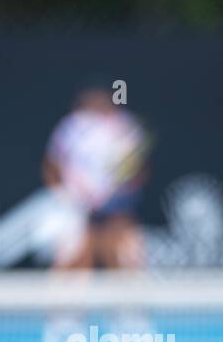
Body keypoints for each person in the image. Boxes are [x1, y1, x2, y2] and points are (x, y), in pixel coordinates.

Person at [42, 86, 149, 271]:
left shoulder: (126, 125)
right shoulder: (71, 126)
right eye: (92, 99)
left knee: (124, 261)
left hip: (117, 209)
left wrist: (115, 193)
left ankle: (128, 299)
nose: (97, 104)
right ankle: (66, 300)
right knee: (73, 262)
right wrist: (67, 196)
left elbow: (139, 172)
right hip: (76, 210)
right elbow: (50, 166)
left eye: (102, 99)